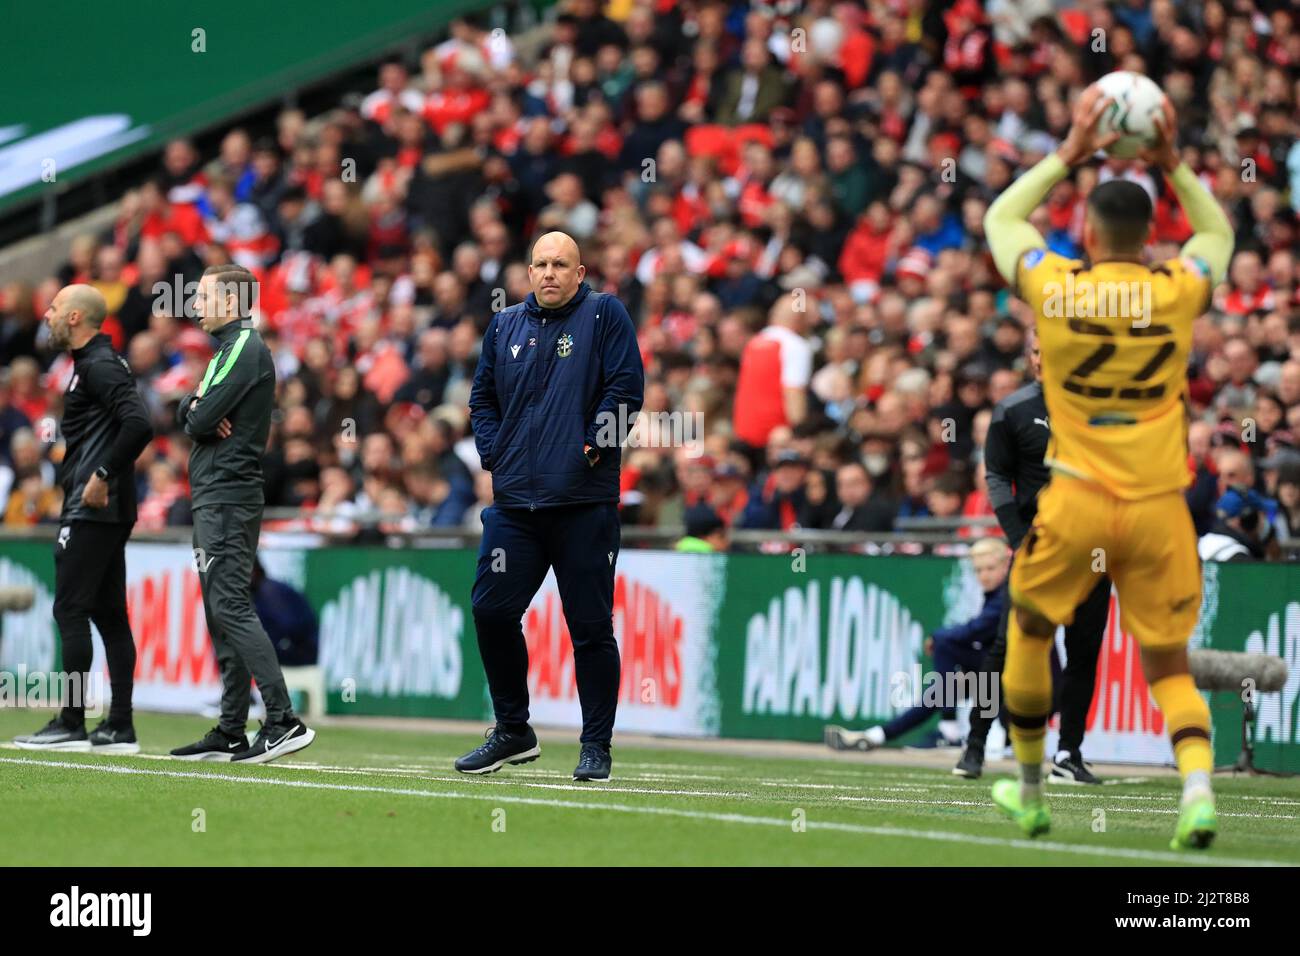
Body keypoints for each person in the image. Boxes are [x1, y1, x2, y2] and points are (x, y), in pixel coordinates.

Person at [982, 88, 1233, 849]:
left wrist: (1067, 151)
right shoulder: (1178, 288)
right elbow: (1220, 231)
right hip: (1161, 505)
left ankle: (1028, 793)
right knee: (1168, 662)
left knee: (1028, 630)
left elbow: (1001, 218)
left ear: (1086, 232)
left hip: (1079, 500)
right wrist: (1175, 164)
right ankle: (1195, 793)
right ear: (1154, 234)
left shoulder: (1055, 287)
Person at [458, 231, 644, 781]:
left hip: (583, 502)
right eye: (540, 263)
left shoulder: (606, 314)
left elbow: (627, 388)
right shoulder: (505, 324)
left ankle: (595, 745)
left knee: (588, 628)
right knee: (491, 611)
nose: (549, 274)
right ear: (527, 271)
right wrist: (495, 453)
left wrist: (593, 446)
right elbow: (481, 399)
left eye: (561, 264)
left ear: (580, 273)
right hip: (515, 503)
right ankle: (514, 729)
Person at [169, 265, 315, 764]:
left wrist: (196, 410)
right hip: (215, 493)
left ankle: (281, 720)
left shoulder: (246, 350)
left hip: (228, 494)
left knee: (229, 602)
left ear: (230, 304)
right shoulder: (227, 351)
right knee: (219, 606)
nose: (195, 306)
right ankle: (232, 727)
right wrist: (194, 406)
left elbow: (199, 420)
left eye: (204, 297)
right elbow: (187, 412)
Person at [953, 329, 1110, 784]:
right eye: (1037, 352)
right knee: (1004, 650)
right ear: (1030, 359)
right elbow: (997, 475)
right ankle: (975, 745)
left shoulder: (1100, 411)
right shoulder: (1014, 409)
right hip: (1037, 549)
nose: (1045, 360)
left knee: (1083, 652)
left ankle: (1069, 753)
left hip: (1091, 551)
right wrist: (1019, 537)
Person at [13, 286, 152, 753]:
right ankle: (118, 727)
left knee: (69, 609)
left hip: (93, 509)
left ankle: (72, 722)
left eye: (52, 309)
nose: (46, 315)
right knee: (110, 615)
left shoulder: (98, 366)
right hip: (106, 509)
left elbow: (140, 423)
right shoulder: (94, 365)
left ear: (74, 317)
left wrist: (101, 475)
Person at [823, 538, 1009, 752]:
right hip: (993, 675)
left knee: (945, 647)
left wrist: (938, 636)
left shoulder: (1006, 595)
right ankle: (875, 736)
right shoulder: (995, 594)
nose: (984, 575)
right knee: (939, 690)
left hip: (1009, 679)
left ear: (1006, 565)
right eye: (978, 570)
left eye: (990, 568)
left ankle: (950, 730)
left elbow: (975, 630)